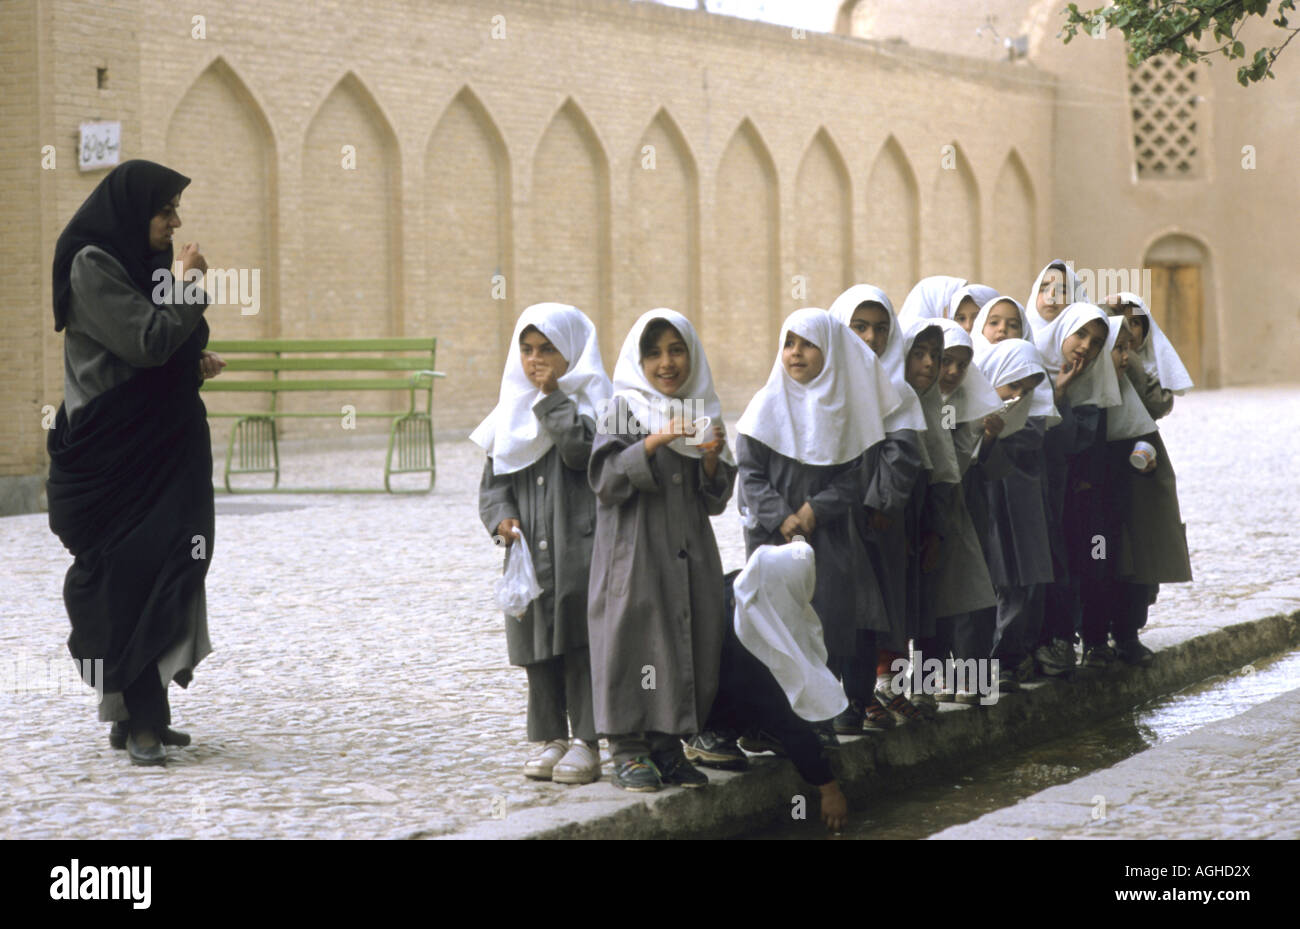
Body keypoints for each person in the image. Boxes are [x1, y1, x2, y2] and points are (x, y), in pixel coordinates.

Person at [46, 159, 221, 767]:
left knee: (174, 559)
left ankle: (138, 715)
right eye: (165, 210)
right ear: (132, 210)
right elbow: (145, 341)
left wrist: (190, 360)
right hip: (113, 455)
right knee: (132, 574)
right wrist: (189, 287)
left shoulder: (136, 264)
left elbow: (157, 344)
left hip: (158, 447)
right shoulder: (92, 263)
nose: (174, 223)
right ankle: (142, 721)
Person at [730, 307, 896, 743]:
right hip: (773, 539)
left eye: (807, 344)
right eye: (789, 343)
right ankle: (771, 721)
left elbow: (855, 475)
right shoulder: (764, 405)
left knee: (828, 621)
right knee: (774, 623)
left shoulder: (845, 410)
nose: (796, 353)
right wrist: (781, 517)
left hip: (831, 536)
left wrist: (812, 512)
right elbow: (749, 473)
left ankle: (826, 714)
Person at [587, 309, 736, 792]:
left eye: (676, 350)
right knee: (633, 643)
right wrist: (656, 440)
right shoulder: (620, 410)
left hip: (688, 552)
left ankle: (668, 747)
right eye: (653, 353)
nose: (666, 363)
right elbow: (606, 481)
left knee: (682, 642)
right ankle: (628, 751)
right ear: (638, 359)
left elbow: (715, 501)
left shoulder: (703, 410)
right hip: (634, 555)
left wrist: (712, 460)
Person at [473, 302, 610, 784]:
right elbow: (493, 482)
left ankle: (588, 740)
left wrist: (552, 398)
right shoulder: (508, 413)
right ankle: (550, 736)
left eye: (548, 349)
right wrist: (500, 519)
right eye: (527, 350)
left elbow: (580, 453)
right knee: (538, 646)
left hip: (581, 547)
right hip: (530, 551)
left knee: (580, 642)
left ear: (572, 351)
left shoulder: (595, 404)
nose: (535, 360)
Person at [828, 285, 931, 730]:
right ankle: (837, 696)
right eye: (860, 327)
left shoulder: (898, 392)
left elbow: (903, 453)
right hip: (829, 518)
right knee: (833, 606)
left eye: (881, 329)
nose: (871, 338)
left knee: (877, 608)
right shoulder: (824, 382)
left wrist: (879, 505)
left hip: (875, 520)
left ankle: (870, 692)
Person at [710, 544, 851, 832]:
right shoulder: (744, 635)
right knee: (774, 703)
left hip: (735, 692)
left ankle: (754, 730)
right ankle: (706, 735)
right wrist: (829, 789)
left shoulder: (746, 588)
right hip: (701, 709)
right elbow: (786, 719)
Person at [1091, 318, 1192, 666]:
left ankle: (1126, 633)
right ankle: (1093, 637)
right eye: (1118, 344)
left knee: (1134, 560)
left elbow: (1152, 409)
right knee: (1097, 559)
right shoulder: (1083, 385)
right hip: (1090, 494)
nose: (1130, 339)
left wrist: (1129, 359)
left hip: (1133, 486)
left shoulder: (1131, 371)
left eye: (1137, 326)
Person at [917, 318, 1003, 704]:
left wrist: (986, 437)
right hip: (917, 509)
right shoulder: (913, 399)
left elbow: (965, 460)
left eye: (960, 365)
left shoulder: (965, 404)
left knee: (969, 592)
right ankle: (921, 682)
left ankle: (973, 676)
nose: (950, 372)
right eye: (944, 361)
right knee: (926, 598)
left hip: (956, 509)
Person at [1035, 303, 1121, 671]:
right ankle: (1054, 642)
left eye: (1097, 342)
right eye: (1080, 334)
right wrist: (1058, 393)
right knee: (1054, 569)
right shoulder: (1033, 374)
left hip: (1091, 506)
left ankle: (1096, 639)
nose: (1086, 347)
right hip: (1050, 499)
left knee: (1095, 563)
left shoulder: (1100, 382)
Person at [1104, 291, 1194, 420]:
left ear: (1145, 333)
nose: (1128, 329)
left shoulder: (1151, 374)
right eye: (1121, 321)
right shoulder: (1097, 364)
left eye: (1134, 323)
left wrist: (1128, 356)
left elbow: (1161, 405)